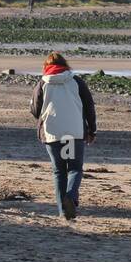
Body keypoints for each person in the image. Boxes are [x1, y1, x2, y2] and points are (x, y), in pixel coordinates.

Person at [30, 52, 97, 220]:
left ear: (47, 67)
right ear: (64, 65)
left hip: (53, 133)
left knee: (59, 172)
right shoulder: (76, 81)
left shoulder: (43, 83)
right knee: (74, 168)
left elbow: (35, 110)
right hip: (73, 132)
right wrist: (92, 130)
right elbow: (89, 107)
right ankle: (71, 196)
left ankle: (62, 209)